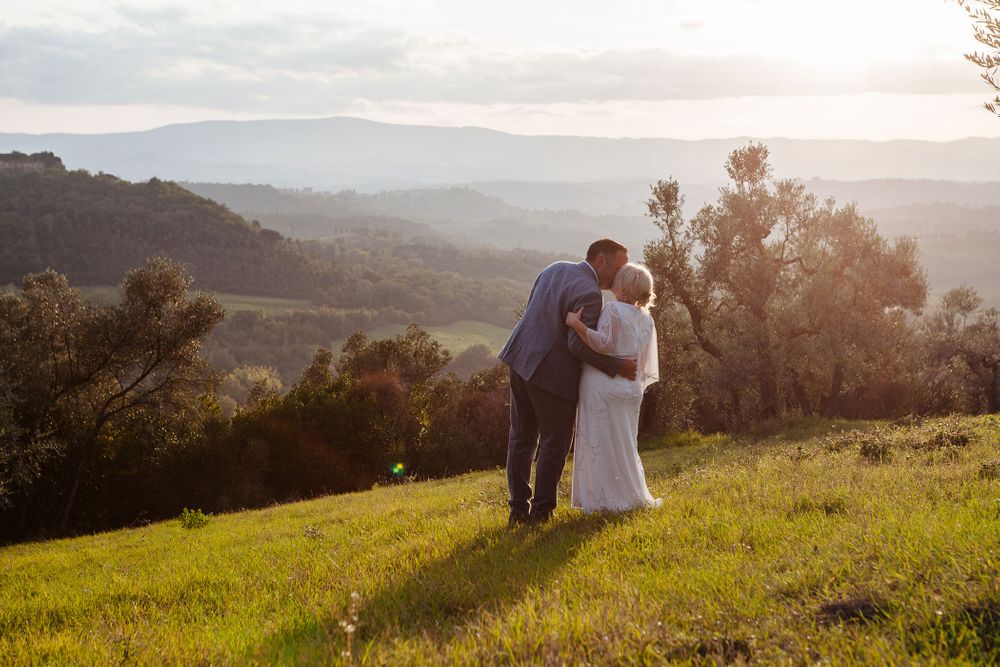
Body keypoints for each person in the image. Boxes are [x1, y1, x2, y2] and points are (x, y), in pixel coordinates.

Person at [498, 239, 637, 526]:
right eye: (619, 267)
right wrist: (616, 366)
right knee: (554, 442)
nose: (621, 274)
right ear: (600, 261)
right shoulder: (589, 292)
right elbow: (577, 344)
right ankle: (541, 512)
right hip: (551, 375)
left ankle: (517, 510)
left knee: (521, 438)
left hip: (520, 360)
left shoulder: (554, 268)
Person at [565, 262, 662, 513]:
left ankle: (602, 500)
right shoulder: (647, 319)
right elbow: (641, 360)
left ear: (625, 288)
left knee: (600, 441)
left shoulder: (614, 310)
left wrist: (577, 324)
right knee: (624, 444)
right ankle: (631, 495)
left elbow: (604, 344)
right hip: (631, 390)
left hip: (603, 387)